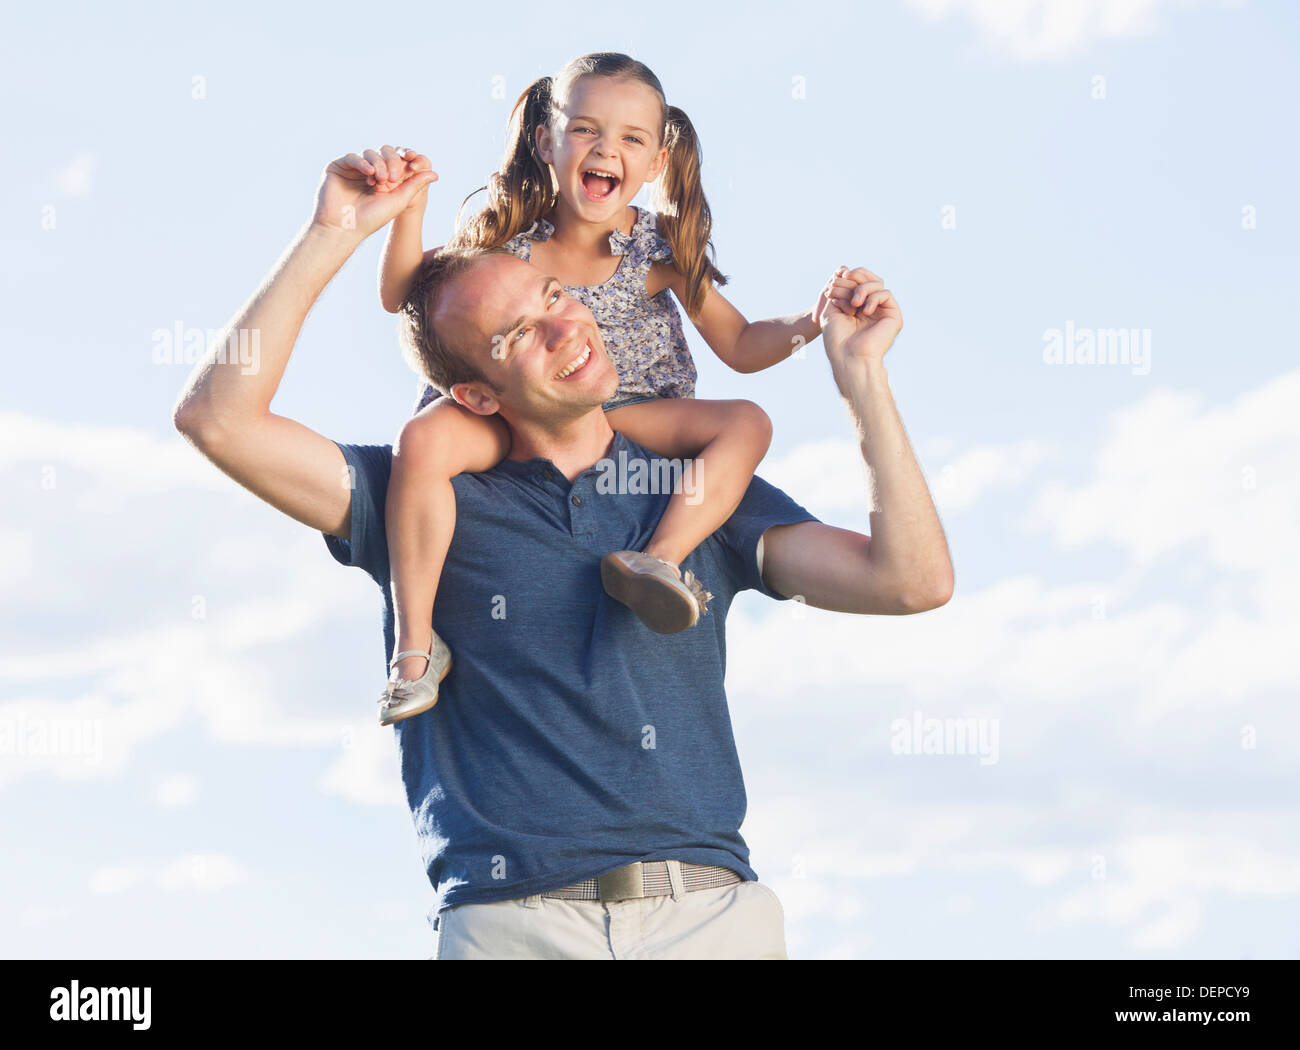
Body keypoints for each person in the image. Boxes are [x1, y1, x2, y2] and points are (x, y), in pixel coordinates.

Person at [171, 147, 954, 960]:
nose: (564, 328)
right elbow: (216, 420)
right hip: (515, 926)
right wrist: (333, 230)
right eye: (516, 336)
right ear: (474, 395)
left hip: (709, 918)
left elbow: (913, 582)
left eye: (552, 297)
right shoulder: (419, 498)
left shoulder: (696, 488)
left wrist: (862, 378)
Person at [368, 53, 833, 726]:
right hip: (524, 409)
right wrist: (408, 210)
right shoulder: (502, 238)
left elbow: (740, 346)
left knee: (748, 423)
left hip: (633, 413)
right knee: (422, 440)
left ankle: (658, 562)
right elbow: (402, 295)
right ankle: (414, 649)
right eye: (585, 128)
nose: (605, 149)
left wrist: (813, 322)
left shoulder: (659, 246)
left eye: (631, 138)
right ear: (545, 142)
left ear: (654, 164)